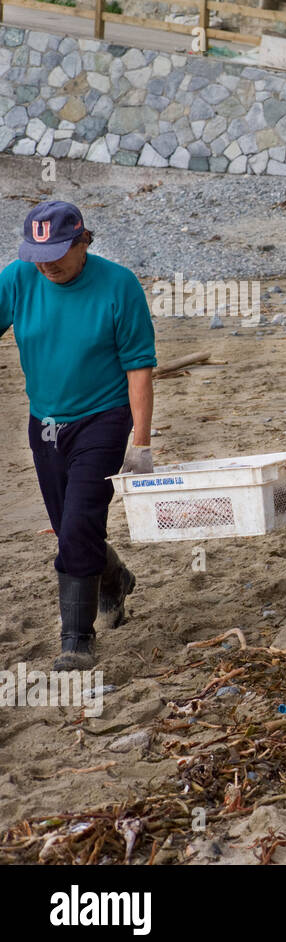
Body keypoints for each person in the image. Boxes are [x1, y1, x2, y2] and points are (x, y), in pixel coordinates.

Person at [0, 201, 156, 670]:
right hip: (45, 423)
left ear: (83, 241)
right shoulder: (18, 278)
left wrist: (141, 443)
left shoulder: (118, 285)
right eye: (37, 252)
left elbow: (139, 368)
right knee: (71, 528)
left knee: (78, 526)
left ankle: (76, 640)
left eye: (58, 252)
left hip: (103, 419)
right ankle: (114, 579)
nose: (47, 262)